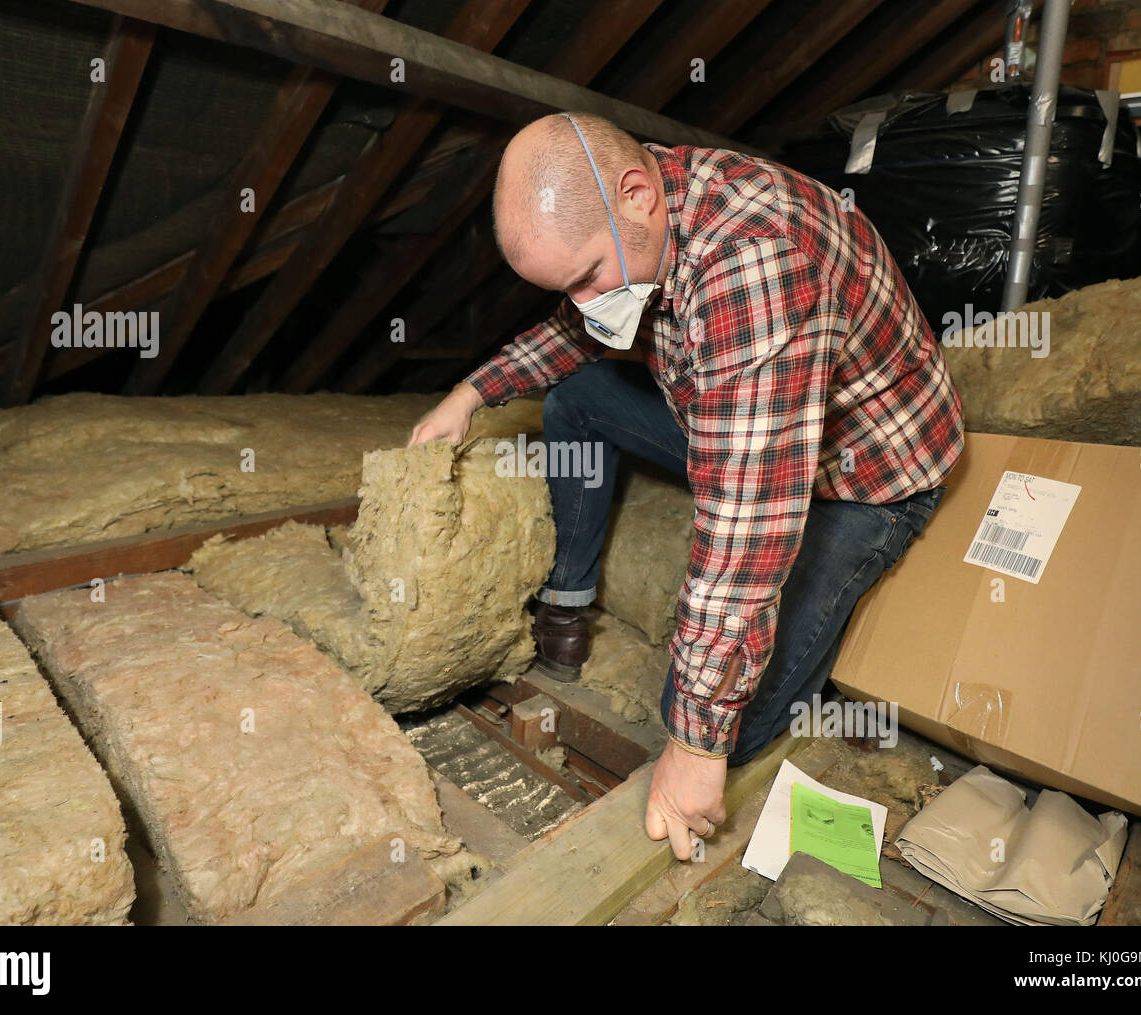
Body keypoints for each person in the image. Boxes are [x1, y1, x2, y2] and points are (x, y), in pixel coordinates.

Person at [409, 111, 964, 860]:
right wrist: (472, 393)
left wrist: (697, 744)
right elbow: (573, 333)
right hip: (723, 406)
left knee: (715, 724)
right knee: (574, 402)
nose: (584, 302)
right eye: (567, 287)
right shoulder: (644, 211)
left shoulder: (757, 261)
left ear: (635, 194)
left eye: (586, 279)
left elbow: (749, 521)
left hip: (860, 469)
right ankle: (566, 606)